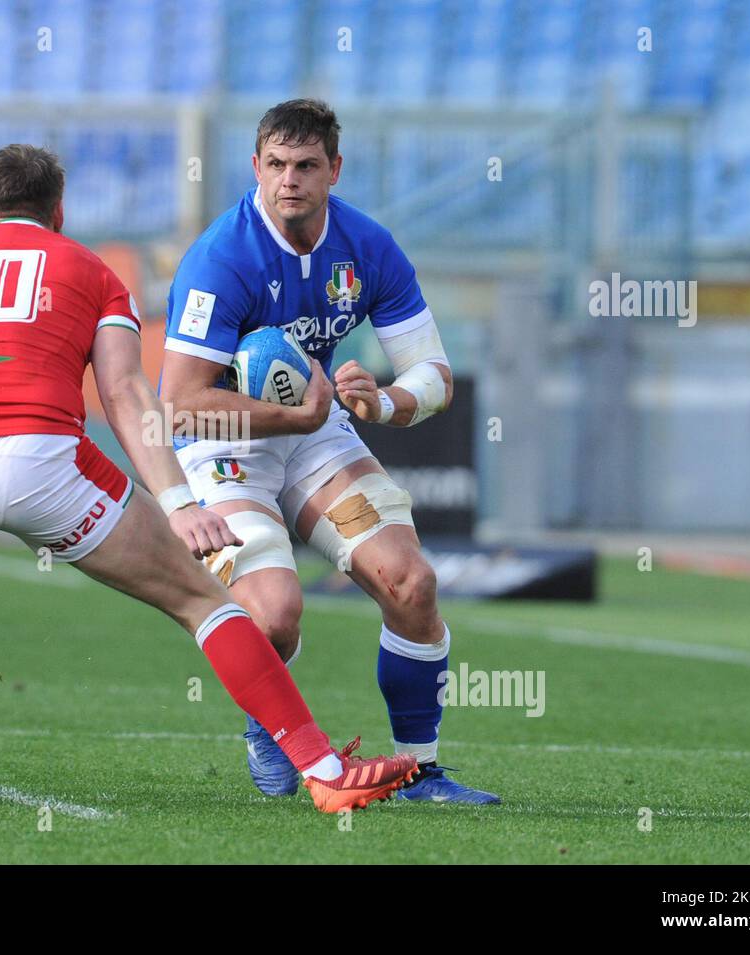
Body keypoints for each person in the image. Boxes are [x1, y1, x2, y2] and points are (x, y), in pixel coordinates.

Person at [0, 144, 417, 813]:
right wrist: (178, 503)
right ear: (59, 212)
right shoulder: (91, 271)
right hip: (41, 461)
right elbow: (129, 396)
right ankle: (324, 769)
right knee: (206, 600)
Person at [160, 100, 500, 804]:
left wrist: (383, 402)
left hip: (314, 431)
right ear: (255, 167)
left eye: (307, 166)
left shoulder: (368, 247)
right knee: (274, 614)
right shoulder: (222, 256)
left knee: (411, 582)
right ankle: (270, 722)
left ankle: (419, 770)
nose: (291, 180)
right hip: (228, 441)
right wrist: (290, 413)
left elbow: (432, 375)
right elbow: (181, 402)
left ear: (334, 170)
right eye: (277, 165)